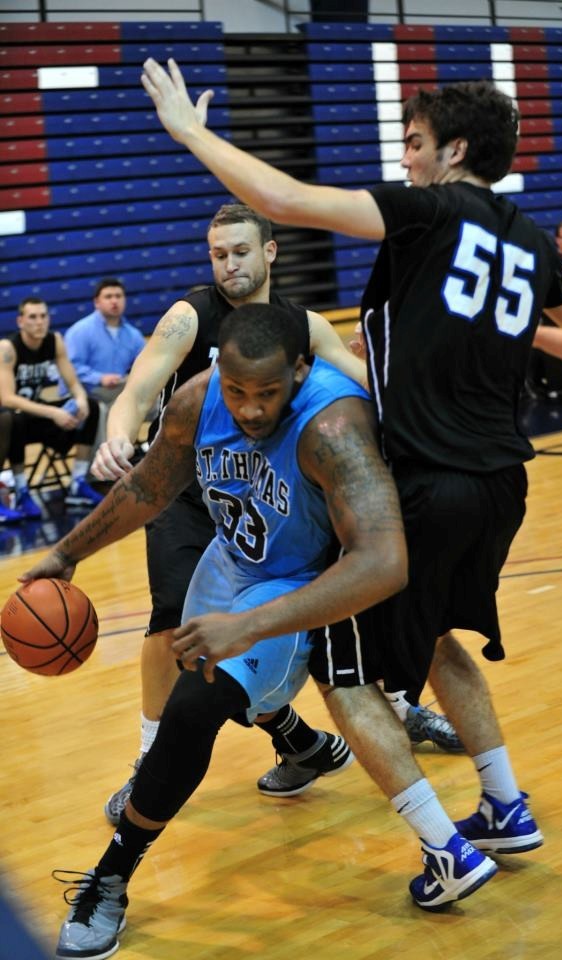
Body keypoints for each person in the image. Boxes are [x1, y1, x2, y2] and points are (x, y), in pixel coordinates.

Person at [140, 60, 562, 911]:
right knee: (436, 639)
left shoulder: (432, 212)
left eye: (414, 144)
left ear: (454, 151)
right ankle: (503, 806)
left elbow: (286, 201)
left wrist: (189, 132)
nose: (405, 159)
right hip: (503, 483)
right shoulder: (526, 235)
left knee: (342, 668)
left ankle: (445, 851)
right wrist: (517, 333)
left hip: (427, 480)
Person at [21, 302, 409, 960]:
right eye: (238, 391)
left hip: (298, 585)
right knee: (204, 665)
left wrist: (250, 624)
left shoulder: (335, 424)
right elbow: (149, 486)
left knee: (193, 707)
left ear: (300, 369)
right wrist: (67, 554)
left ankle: (110, 877)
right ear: (217, 372)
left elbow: (384, 562)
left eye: (267, 393)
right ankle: (303, 744)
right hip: (232, 560)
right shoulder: (199, 402)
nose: (251, 409)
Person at [92, 203, 461, 828]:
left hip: (272, 493)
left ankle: (383, 711)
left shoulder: (303, 325)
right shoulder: (190, 316)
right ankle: (150, 763)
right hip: (188, 491)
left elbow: (370, 387)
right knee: (173, 626)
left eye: (240, 251)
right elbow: (138, 386)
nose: (228, 264)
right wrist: (118, 436)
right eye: (217, 254)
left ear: (269, 253)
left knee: (332, 611)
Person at [0, 298, 105, 518]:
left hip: (34, 415)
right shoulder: (8, 348)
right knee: (13, 417)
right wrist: (54, 412)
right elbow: (8, 399)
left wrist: (80, 399)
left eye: (43, 316)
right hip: (6, 422)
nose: (39, 322)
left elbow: (74, 382)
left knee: (92, 406)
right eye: (32, 317)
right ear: (20, 321)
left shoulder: (54, 341)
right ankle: (21, 490)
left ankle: (77, 482)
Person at [64, 278, 146, 407]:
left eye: (118, 296)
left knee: (157, 401)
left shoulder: (134, 335)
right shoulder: (80, 331)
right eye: (108, 297)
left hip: (118, 391)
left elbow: (144, 365)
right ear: (97, 302)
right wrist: (100, 378)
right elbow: (70, 368)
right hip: (87, 393)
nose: (114, 301)